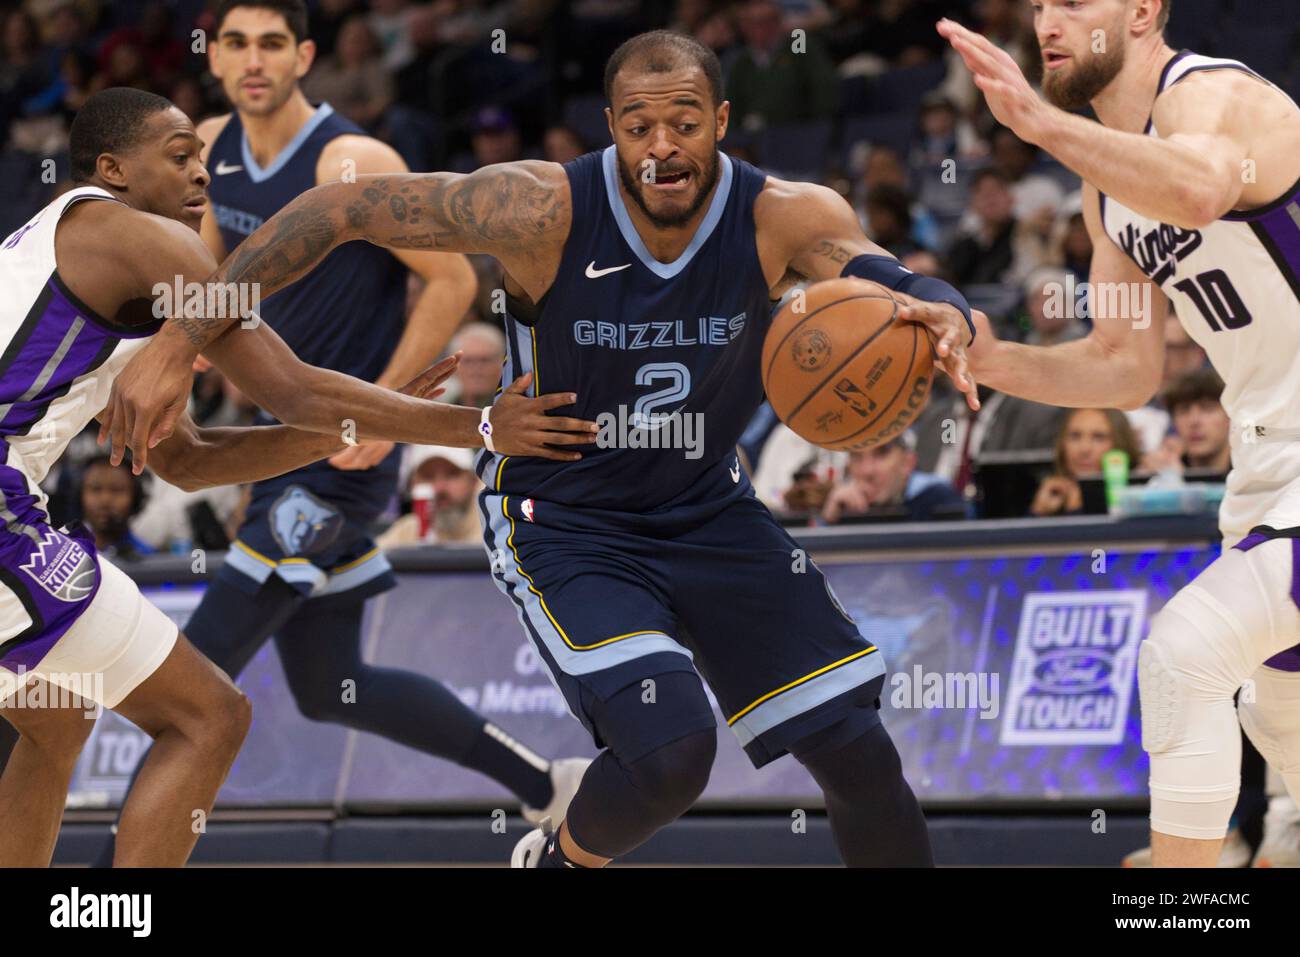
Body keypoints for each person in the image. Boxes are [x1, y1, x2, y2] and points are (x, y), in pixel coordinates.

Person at [105, 30, 983, 868]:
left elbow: (888, 274)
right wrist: (180, 342)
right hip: (564, 516)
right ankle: (559, 855)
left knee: (860, 752)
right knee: (672, 747)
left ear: (720, 121)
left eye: (684, 122)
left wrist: (936, 304)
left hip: (711, 507)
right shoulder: (540, 206)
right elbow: (337, 210)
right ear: (612, 128)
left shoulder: (784, 215)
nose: (662, 146)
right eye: (640, 126)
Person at [0, 86, 585, 867]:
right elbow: (296, 388)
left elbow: (187, 459)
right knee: (208, 716)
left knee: (58, 716)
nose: (203, 177)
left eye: (205, 159)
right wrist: (476, 425)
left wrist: (341, 433)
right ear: (113, 169)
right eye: (179, 158)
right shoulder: (143, 240)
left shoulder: (52, 244)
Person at [941, 0, 1300, 866]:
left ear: (1142, 10)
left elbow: (1201, 185)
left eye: (1072, 1)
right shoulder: (1106, 187)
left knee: (1186, 655)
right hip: (1272, 463)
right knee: (1277, 714)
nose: (1046, 21)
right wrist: (982, 356)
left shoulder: (1211, 95)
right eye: (1037, 6)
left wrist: (1037, 122)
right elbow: (1120, 364)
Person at [822, 433, 965, 524]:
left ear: (907, 463)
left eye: (881, 454)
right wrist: (829, 522)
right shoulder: (844, 504)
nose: (867, 471)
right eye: (856, 457)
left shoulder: (939, 499)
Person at [1029, 408, 1141, 517]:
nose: (1084, 449)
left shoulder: (1140, 497)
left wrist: (1076, 511)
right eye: (1075, 436)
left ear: (1120, 443)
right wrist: (1038, 512)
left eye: (1098, 437)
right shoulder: (1049, 496)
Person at [1143, 368, 1231, 474]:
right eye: (1184, 410)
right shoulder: (1163, 471)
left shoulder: (1252, 472)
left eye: (1207, 409)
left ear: (1230, 416)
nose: (1194, 421)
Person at [77, 454, 154, 561]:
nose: (105, 500)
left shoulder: (150, 560)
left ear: (136, 497)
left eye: (116, 490)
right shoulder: (61, 555)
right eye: (95, 489)